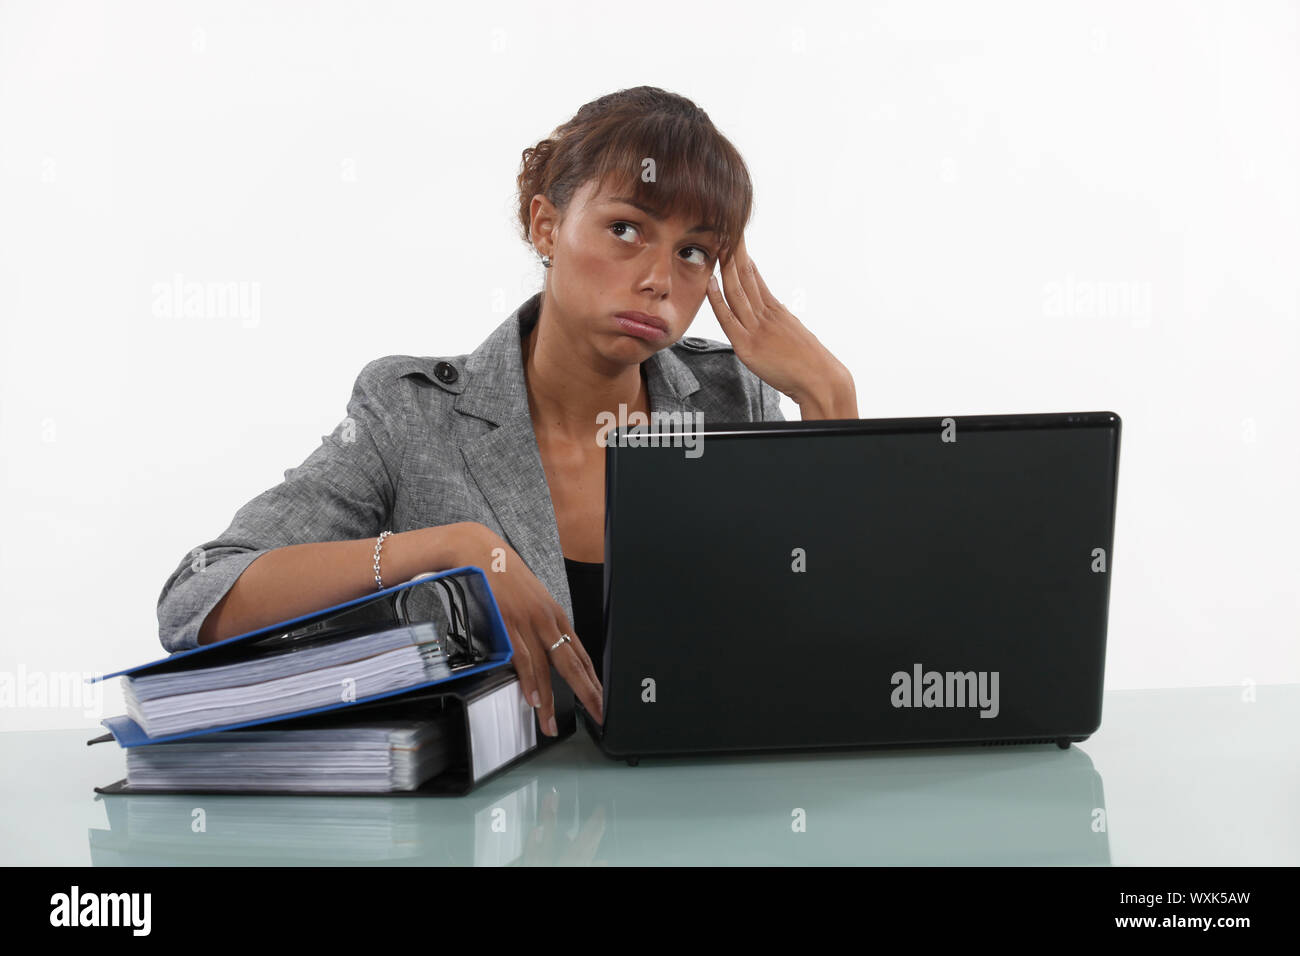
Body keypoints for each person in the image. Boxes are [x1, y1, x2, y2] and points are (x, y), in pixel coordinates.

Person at [155, 85, 857, 742]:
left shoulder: (733, 400)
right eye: (625, 229)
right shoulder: (410, 415)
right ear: (546, 226)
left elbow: (843, 648)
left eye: (693, 253)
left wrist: (831, 398)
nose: (658, 280)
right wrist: (444, 549)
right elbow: (196, 600)